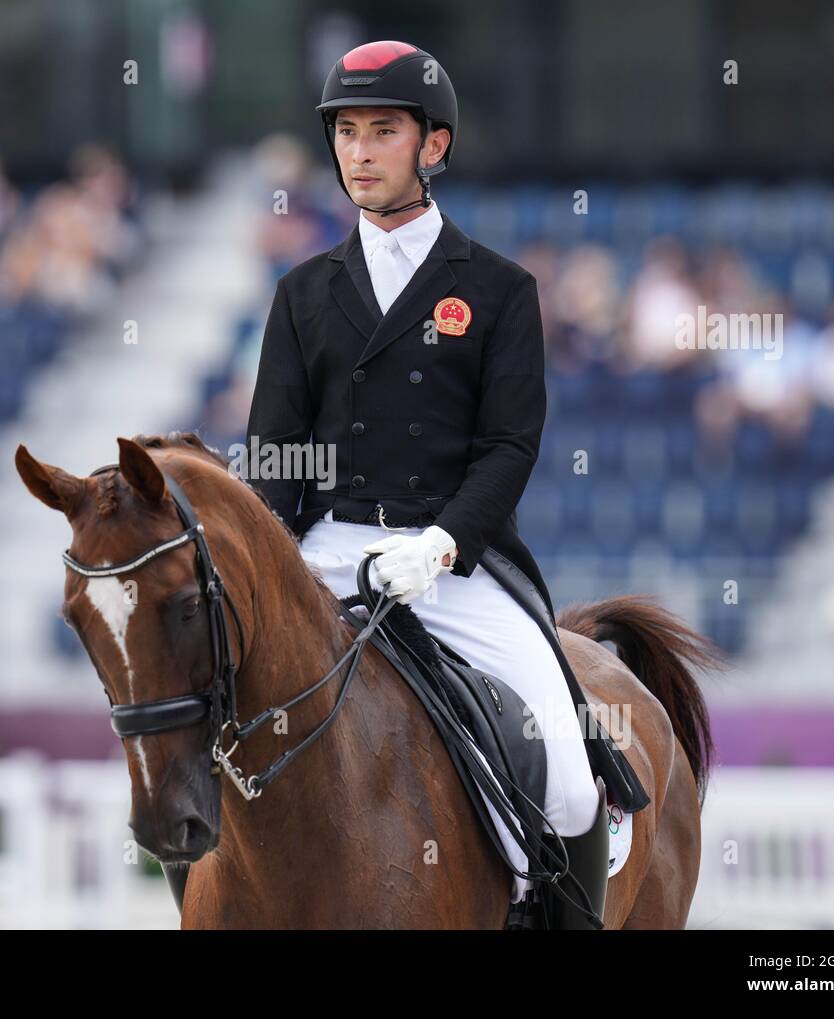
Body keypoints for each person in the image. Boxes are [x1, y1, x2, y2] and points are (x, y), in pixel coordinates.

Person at [245, 40, 616, 928]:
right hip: (328, 553)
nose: (360, 153)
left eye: (383, 132)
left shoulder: (498, 290)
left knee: (567, 775)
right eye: (346, 134)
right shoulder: (302, 293)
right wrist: (273, 565)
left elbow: (509, 447)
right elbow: (274, 457)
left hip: (454, 560)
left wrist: (443, 543)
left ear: (432, 147)